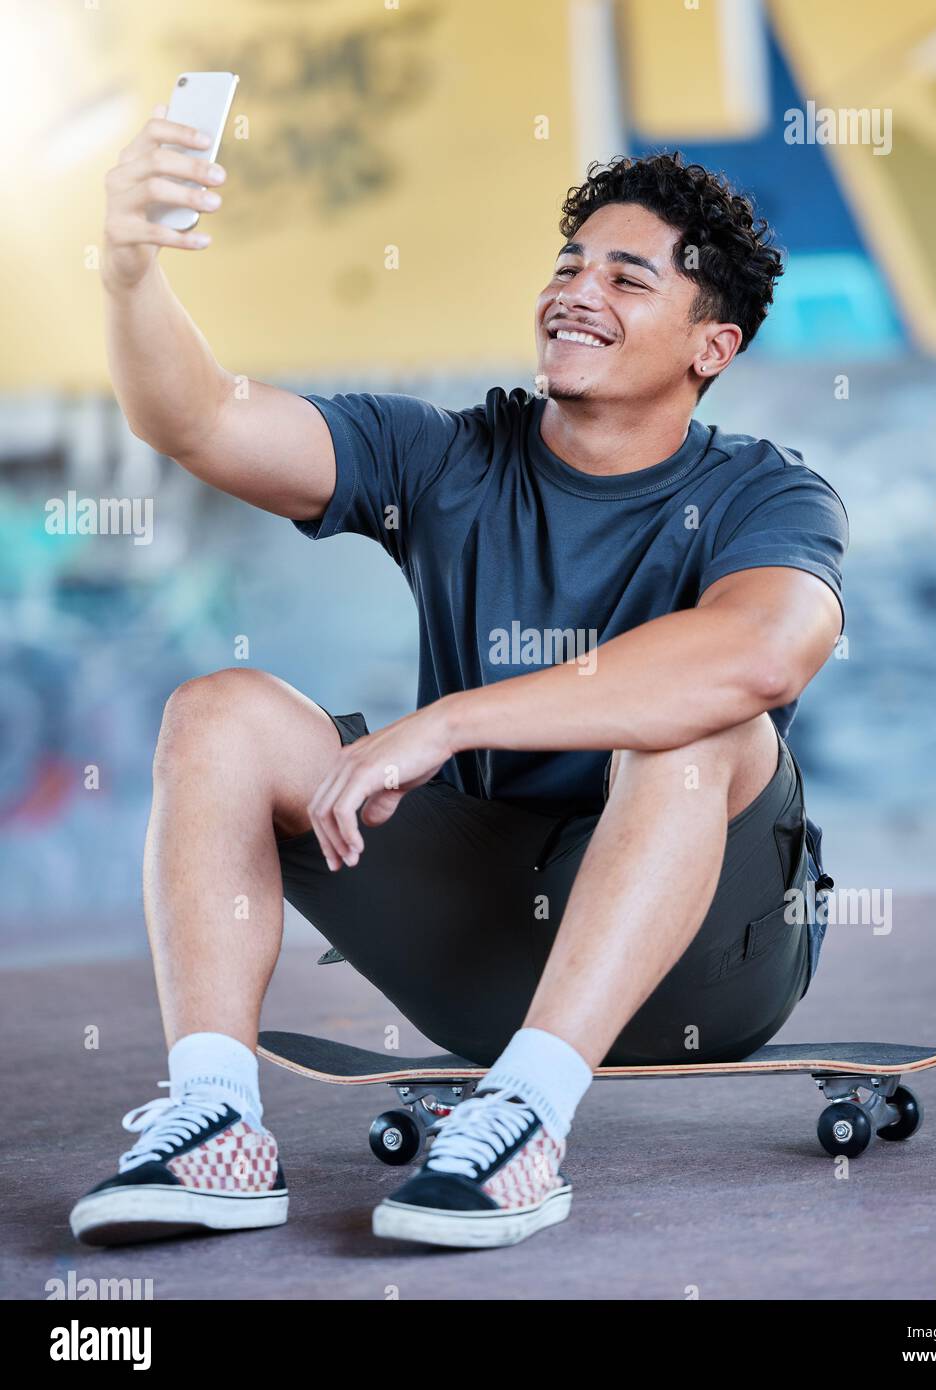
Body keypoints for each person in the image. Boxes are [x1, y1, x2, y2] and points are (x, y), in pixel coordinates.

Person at [70, 111, 846, 1250]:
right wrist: (127, 266)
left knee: (701, 728)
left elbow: (759, 655)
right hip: (482, 951)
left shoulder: (769, 495)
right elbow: (195, 420)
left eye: (627, 277)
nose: (577, 290)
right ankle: (215, 1120)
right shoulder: (445, 459)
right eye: (568, 264)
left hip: (707, 972)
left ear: (709, 347)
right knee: (218, 711)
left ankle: (528, 1116)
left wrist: (448, 722)